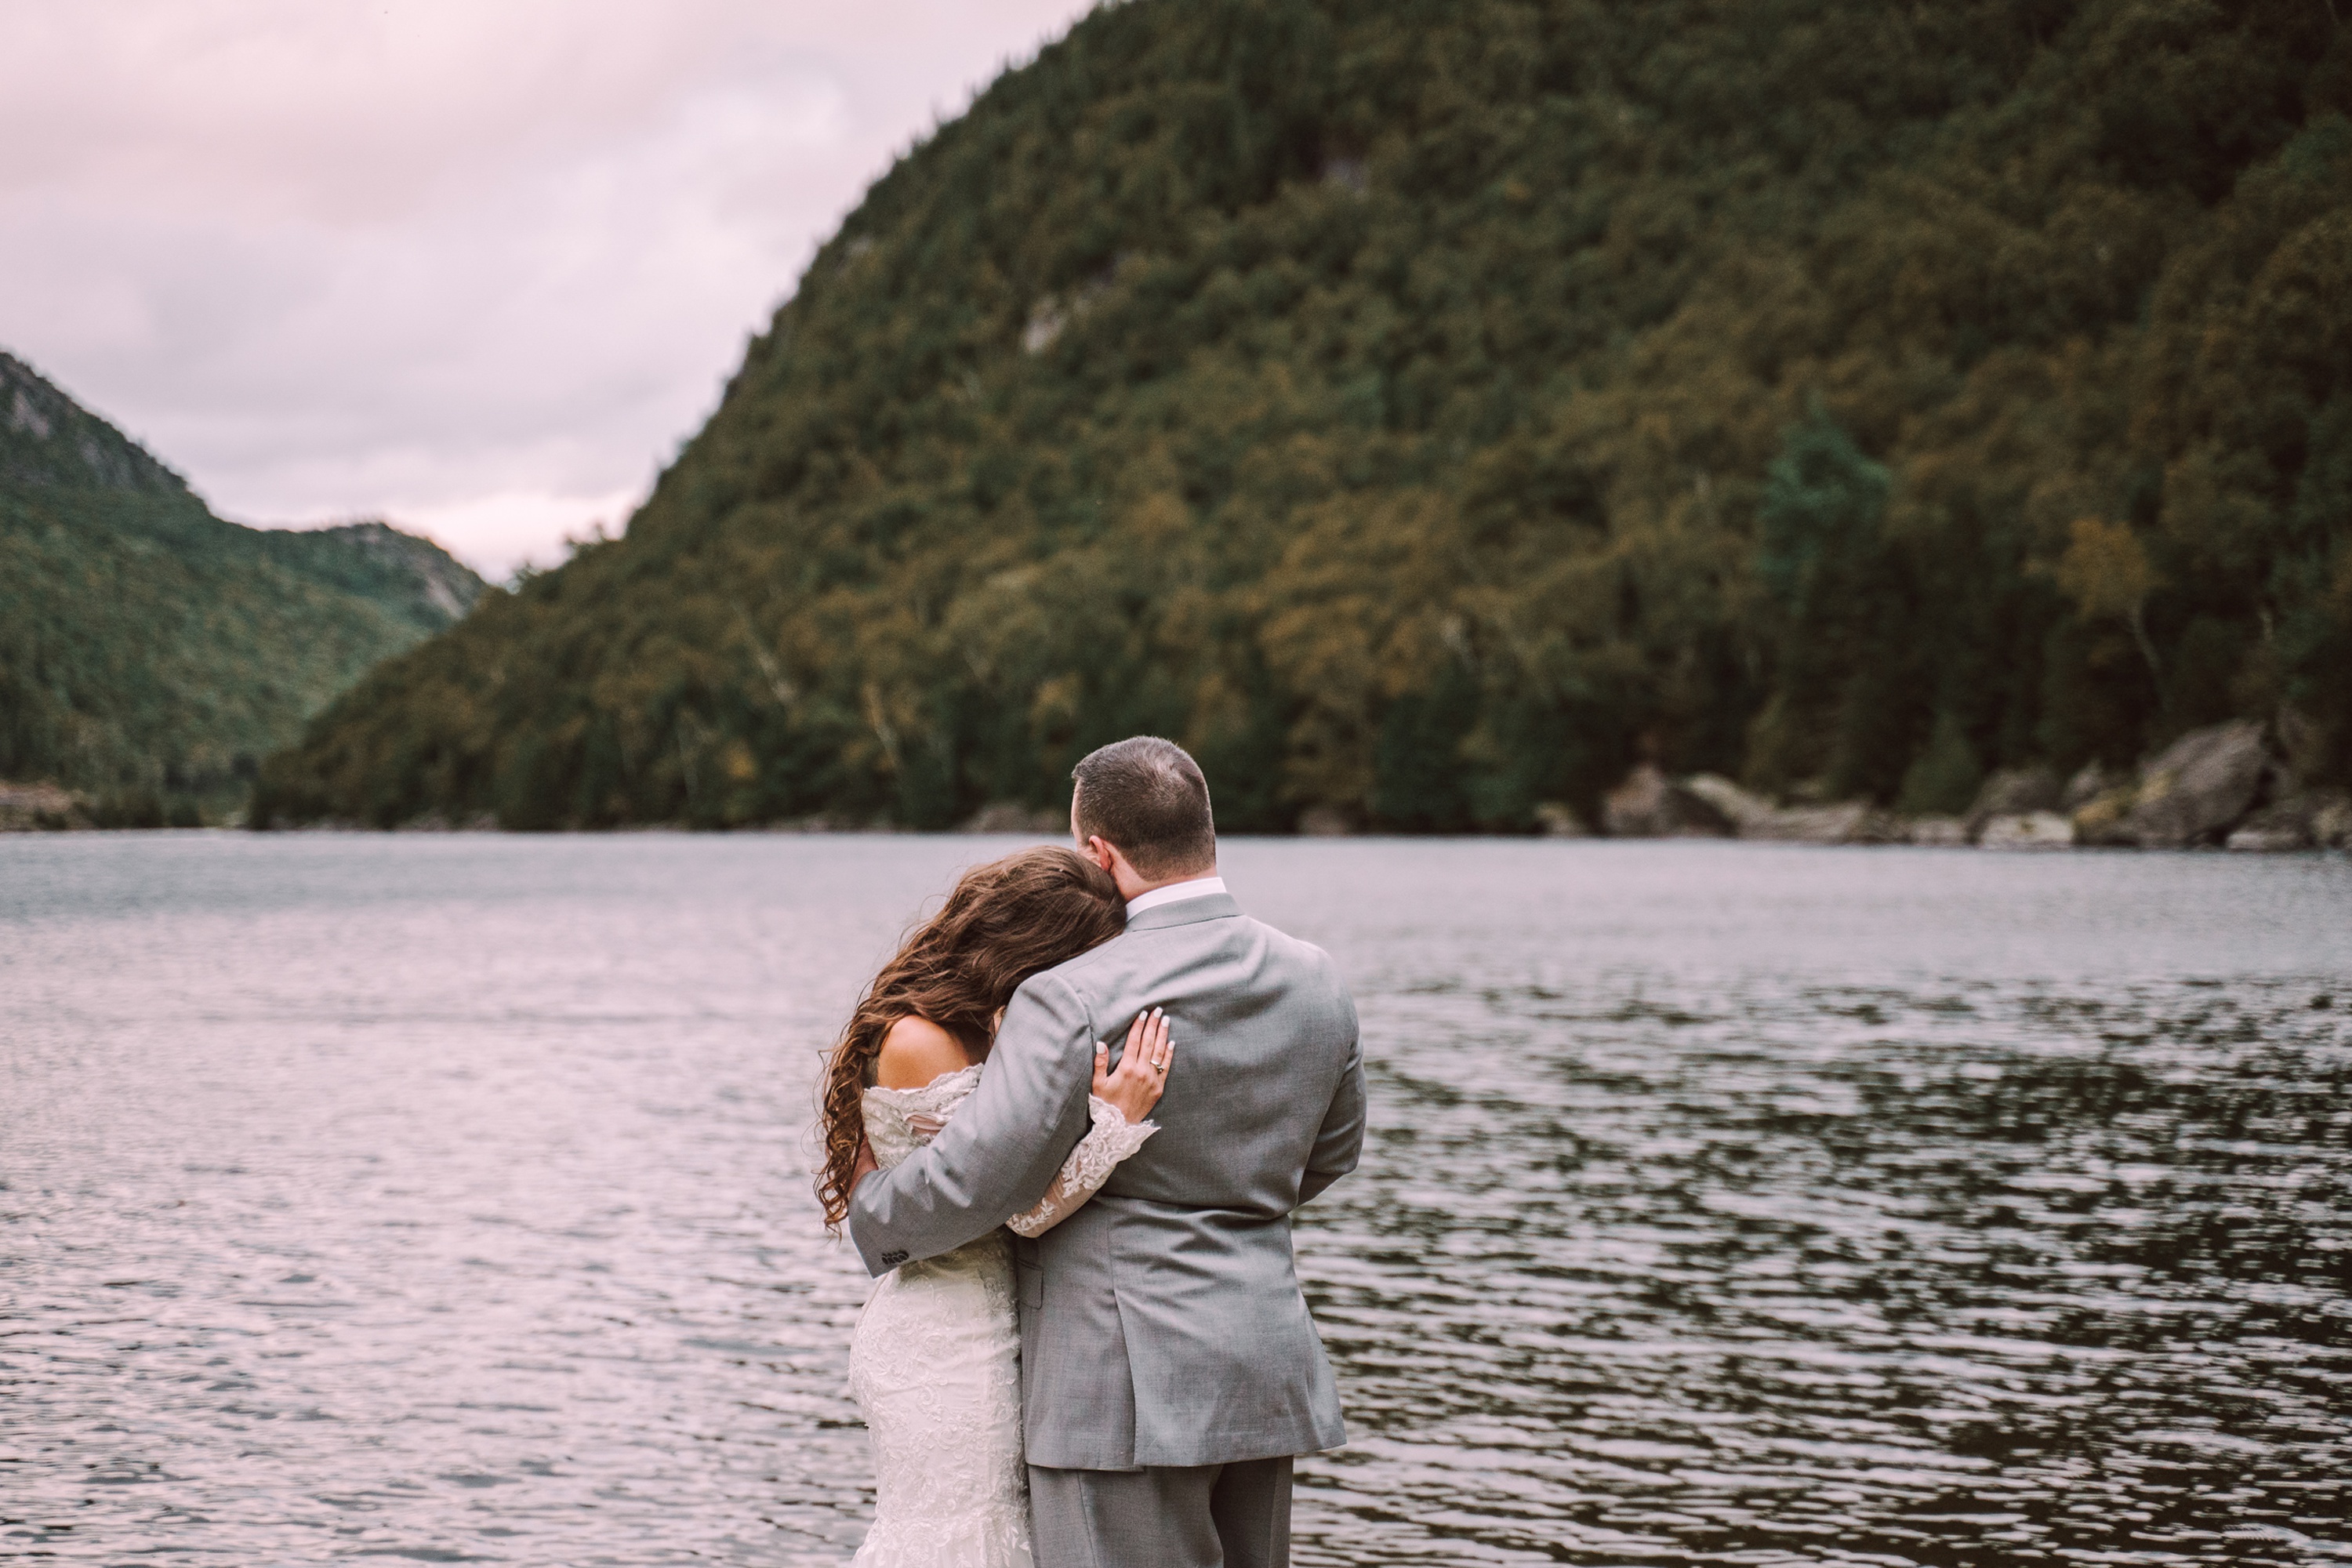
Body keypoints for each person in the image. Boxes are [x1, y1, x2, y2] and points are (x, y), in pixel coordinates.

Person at [846, 735, 1367, 1568]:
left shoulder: (1072, 993)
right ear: (1204, 829)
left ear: (1099, 849)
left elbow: (982, 1176)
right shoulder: (1316, 976)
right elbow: (1331, 1153)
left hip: (1114, 1387)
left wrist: (874, 1213)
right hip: (1264, 1360)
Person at [816, 845, 1174, 1566]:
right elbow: (1012, 1211)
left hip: (991, 1320)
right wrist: (1113, 1125)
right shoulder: (923, 1040)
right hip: (947, 1335)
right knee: (958, 1539)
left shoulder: (987, 1031)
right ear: (1037, 955)